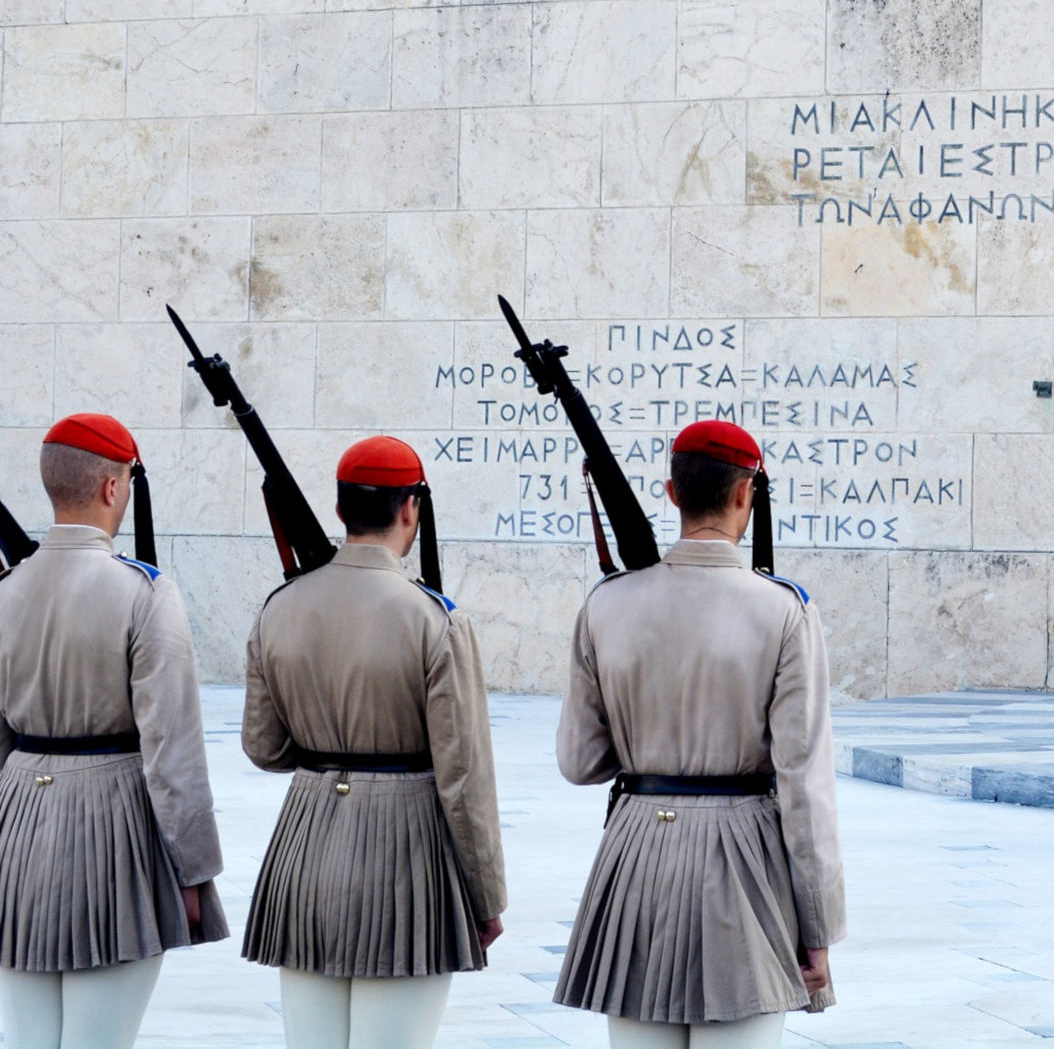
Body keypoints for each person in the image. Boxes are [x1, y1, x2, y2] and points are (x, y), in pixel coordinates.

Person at [555, 419, 844, 1047]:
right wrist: (819, 927)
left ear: (670, 491)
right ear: (746, 495)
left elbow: (580, 762)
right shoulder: (784, 610)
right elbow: (804, 786)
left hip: (634, 851)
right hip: (743, 859)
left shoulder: (606, 603)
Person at [241, 436, 505, 1047]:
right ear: (411, 508)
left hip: (304, 847)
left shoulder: (280, 606)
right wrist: (485, 893)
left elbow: (264, 748)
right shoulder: (434, 619)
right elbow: (463, 777)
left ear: (340, 512)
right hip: (405, 854)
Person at [0, 414, 227, 1049]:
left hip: (15, 824)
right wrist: (194, 873)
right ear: (111, 488)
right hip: (112, 822)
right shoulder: (145, 594)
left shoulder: (5, 590)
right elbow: (172, 750)